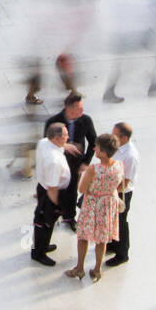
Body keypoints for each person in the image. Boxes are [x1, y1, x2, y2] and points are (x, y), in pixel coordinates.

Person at [65, 134, 124, 281]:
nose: (94, 148)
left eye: (97, 147)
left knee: (83, 236)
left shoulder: (93, 169)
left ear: (103, 152)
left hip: (92, 204)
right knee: (102, 239)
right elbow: (120, 185)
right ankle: (97, 269)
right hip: (108, 204)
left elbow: (82, 188)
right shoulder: (119, 165)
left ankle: (79, 268)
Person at [44, 92, 97, 229]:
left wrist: (86, 161)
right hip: (57, 164)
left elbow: (93, 142)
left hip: (75, 165)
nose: (82, 111)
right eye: (78, 108)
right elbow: (46, 144)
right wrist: (64, 146)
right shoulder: (53, 122)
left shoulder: (85, 120)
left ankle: (69, 217)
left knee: (72, 190)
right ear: (68, 108)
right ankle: (52, 215)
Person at [31, 123, 71, 266]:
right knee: (45, 222)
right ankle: (38, 253)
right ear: (56, 138)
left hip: (43, 188)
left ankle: (43, 246)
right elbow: (52, 188)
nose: (68, 137)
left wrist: (67, 147)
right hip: (50, 194)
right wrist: (56, 206)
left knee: (44, 221)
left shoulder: (44, 142)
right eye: (65, 135)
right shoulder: (53, 161)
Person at [107, 121, 139, 267]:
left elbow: (127, 181)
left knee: (120, 221)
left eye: (115, 134)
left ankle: (122, 253)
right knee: (112, 220)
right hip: (112, 189)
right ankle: (113, 244)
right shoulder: (117, 147)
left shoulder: (130, 155)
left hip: (121, 193)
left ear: (124, 138)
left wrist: (110, 192)